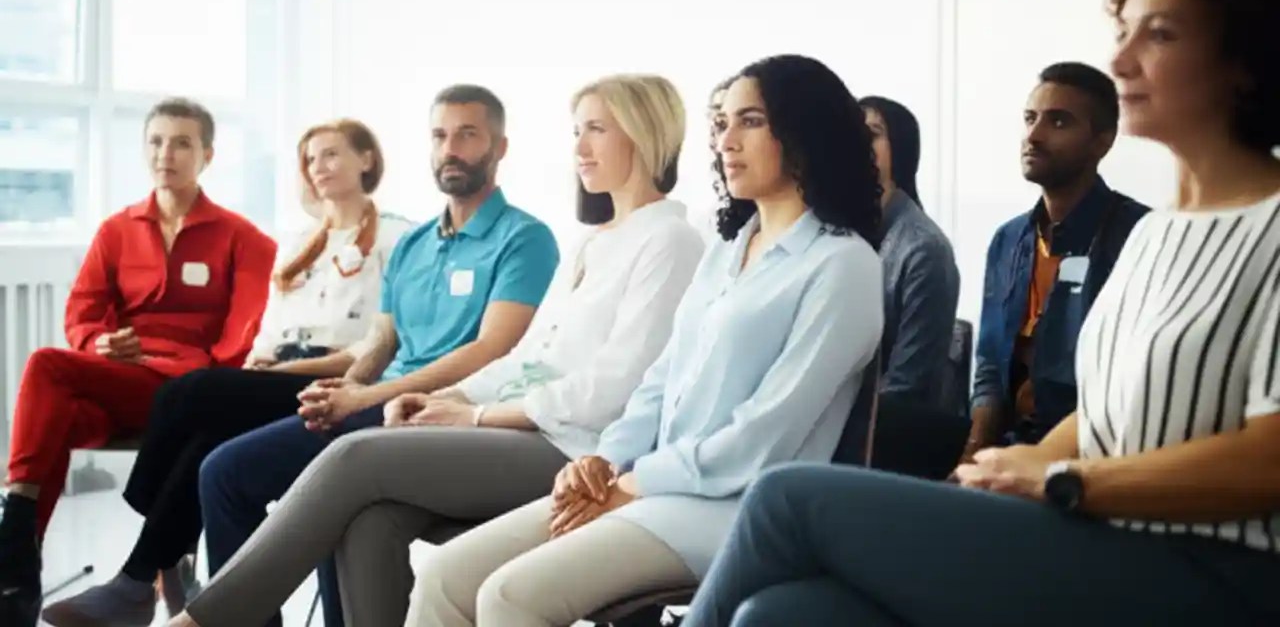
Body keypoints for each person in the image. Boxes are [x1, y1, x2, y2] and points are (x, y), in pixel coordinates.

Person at [681, 0, 1280, 626]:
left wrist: (1064, 481)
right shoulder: (1159, 236)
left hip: (1220, 571)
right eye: (1125, 29)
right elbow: (1112, 414)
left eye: (1160, 34)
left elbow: (1267, 462)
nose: (1121, 60)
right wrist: (1005, 468)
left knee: (785, 496)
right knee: (785, 612)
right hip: (1104, 533)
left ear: (1246, 54)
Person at [163, 73, 704, 627]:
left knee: (354, 454)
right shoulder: (593, 241)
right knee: (371, 520)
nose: (579, 149)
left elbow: (617, 388)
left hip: (576, 452)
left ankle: (205, 620)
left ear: (642, 134)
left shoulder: (670, 241)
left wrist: (473, 415)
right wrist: (443, 397)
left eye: (595, 130)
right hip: (527, 430)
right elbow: (524, 360)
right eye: (576, 132)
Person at [402, 54, 884, 627]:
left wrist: (634, 481)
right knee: (444, 576)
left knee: (510, 597)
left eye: (749, 121)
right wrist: (604, 460)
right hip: (650, 485)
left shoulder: (843, 265)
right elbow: (660, 379)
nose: (725, 140)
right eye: (722, 123)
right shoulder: (729, 250)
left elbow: (762, 438)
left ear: (803, 130)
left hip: (735, 507)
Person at [193, 84, 559, 627]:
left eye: (468, 134)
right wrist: (346, 389)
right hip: (379, 401)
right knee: (222, 470)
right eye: (440, 135)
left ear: (499, 147)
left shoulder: (525, 238)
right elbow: (381, 341)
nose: (450, 148)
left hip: (443, 411)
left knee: (245, 474)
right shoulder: (414, 244)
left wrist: (366, 395)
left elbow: (491, 349)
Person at [39, 119, 413, 626]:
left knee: (189, 392)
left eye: (331, 155)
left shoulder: (399, 238)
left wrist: (288, 368)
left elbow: (375, 345)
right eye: (309, 159)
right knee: (208, 441)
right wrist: (259, 363)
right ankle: (154, 586)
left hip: (334, 379)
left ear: (367, 159)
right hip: (276, 371)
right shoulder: (301, 240)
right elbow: (269, 328)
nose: (317, 168)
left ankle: (146, 554)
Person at [0, 98, 276, 626]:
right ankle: (19, 574)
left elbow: (241, 335)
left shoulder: (245, 238)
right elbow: (83, 313)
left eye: (181, 143)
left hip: (190, 390)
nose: (165, 154)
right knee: (62, 414)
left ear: (207, 155)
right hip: (120, 383)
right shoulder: (116, 230)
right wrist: (100, 345)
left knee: (45, 366)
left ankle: (14, 540)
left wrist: (196, 375)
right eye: (155, 141)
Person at [964, 61, 1149, 460]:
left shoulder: (1139, 236)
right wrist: (971, 456)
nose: (1033, 135)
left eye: (1058, 122)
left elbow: (1134, 386)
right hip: (1008, 448)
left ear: (1103, 141)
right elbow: (990, 370)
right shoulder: (1009, 240)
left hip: (1089, 456)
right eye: (1030, 119)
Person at [860, 96, 961, 411]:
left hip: (885, 439)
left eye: (873, 133)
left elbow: (907, 387)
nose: (858, 143)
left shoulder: (924, 249)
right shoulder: (840, 236)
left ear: (900, 150)